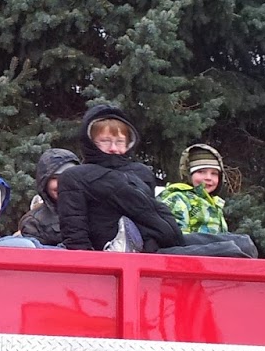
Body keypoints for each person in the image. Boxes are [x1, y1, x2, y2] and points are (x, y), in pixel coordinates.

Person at [58, 105, 185, 253]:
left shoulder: (141, 172)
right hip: (108, 252)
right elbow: (74, 232)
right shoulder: (75, 177)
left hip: (154, 246)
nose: (113, 148)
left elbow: (151, 216)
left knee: (215, 241)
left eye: (119, 142)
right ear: (91, 141)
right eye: (105, 141)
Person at [159, 143, 231, 234]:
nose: (208, 178)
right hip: (192, 247)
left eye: (214, 173)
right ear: (188, 175)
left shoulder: (215, 204)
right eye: (201, 172)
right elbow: (179, 237)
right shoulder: (178, 199)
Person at [16, 148, 77, 246]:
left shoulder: (93, 212)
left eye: (68, 177)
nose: (62, 183)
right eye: (55, 178)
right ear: (44, 182)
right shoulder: (33, 222)